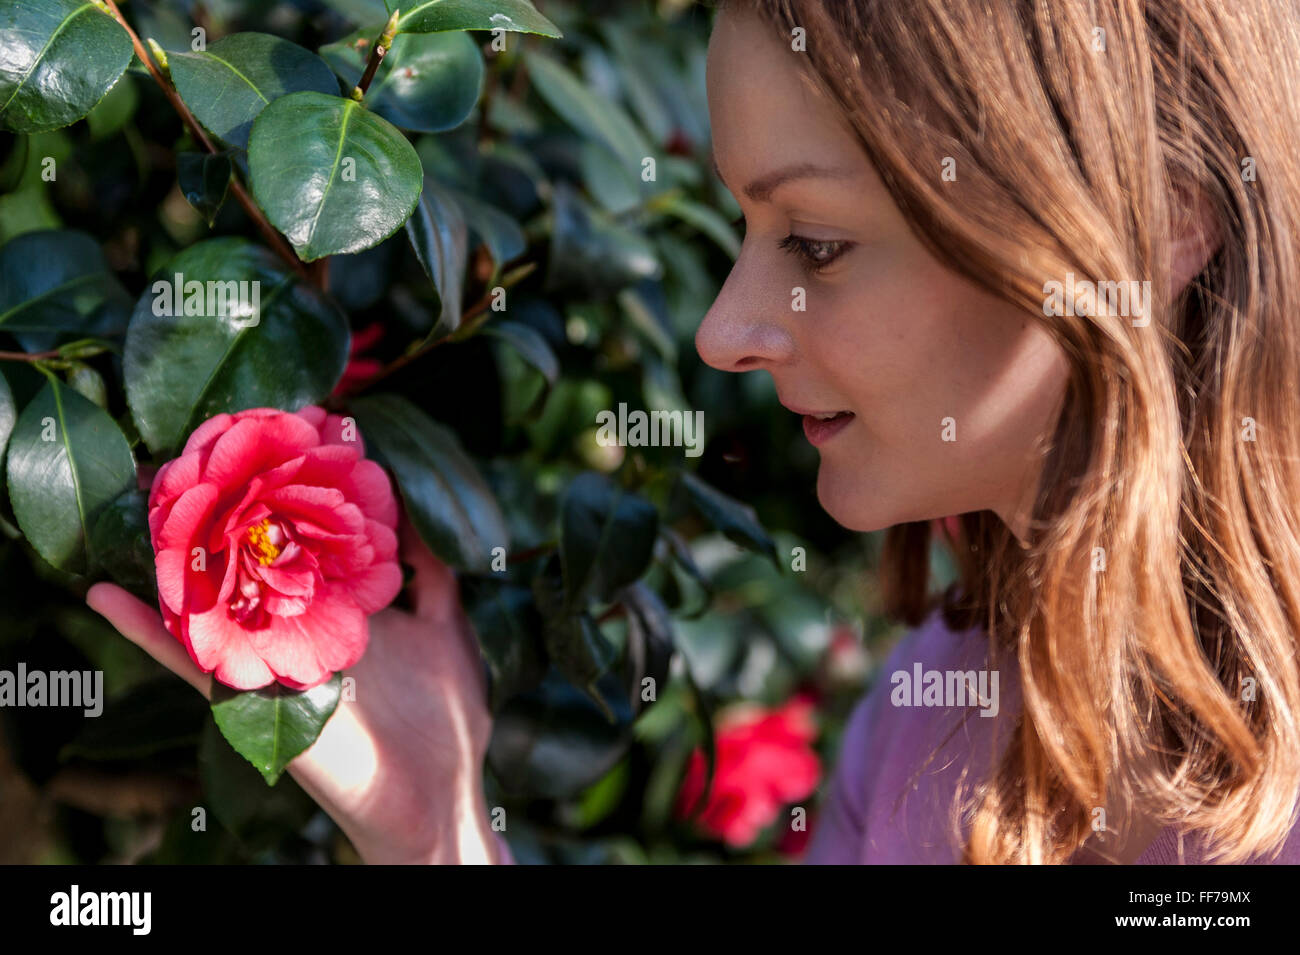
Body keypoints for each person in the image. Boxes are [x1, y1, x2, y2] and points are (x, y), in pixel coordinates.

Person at [90, 0, 1300, 864]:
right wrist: (430, 825)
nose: (722, 331)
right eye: (740, 229)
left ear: (1153, 220)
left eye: (815, 241)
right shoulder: (931, 709)